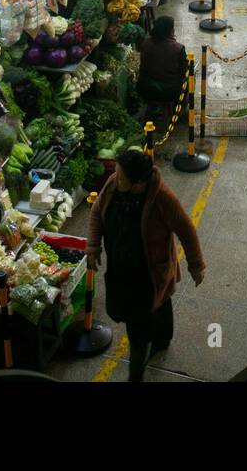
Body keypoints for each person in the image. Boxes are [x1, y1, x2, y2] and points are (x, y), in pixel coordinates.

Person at [88, 148, 205, 382]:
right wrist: (93, 246)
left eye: (121, 177)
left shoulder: (162, 197)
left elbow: (186, 230)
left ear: (139, 184)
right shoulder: (114, 184)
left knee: (138, 327)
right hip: (122, 268)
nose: (115, 179)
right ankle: (163, 339)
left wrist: (196, 265)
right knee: (160, 303)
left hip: (149, 273)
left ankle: (136, 374)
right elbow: (96, 212)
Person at [137, 16, 187, 106]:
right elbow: (184, 72)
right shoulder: (178, 49)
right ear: (170, 31)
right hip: (169, 92)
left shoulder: (145, 43)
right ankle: (182, 107)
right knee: (190, 78)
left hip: (145, 88)